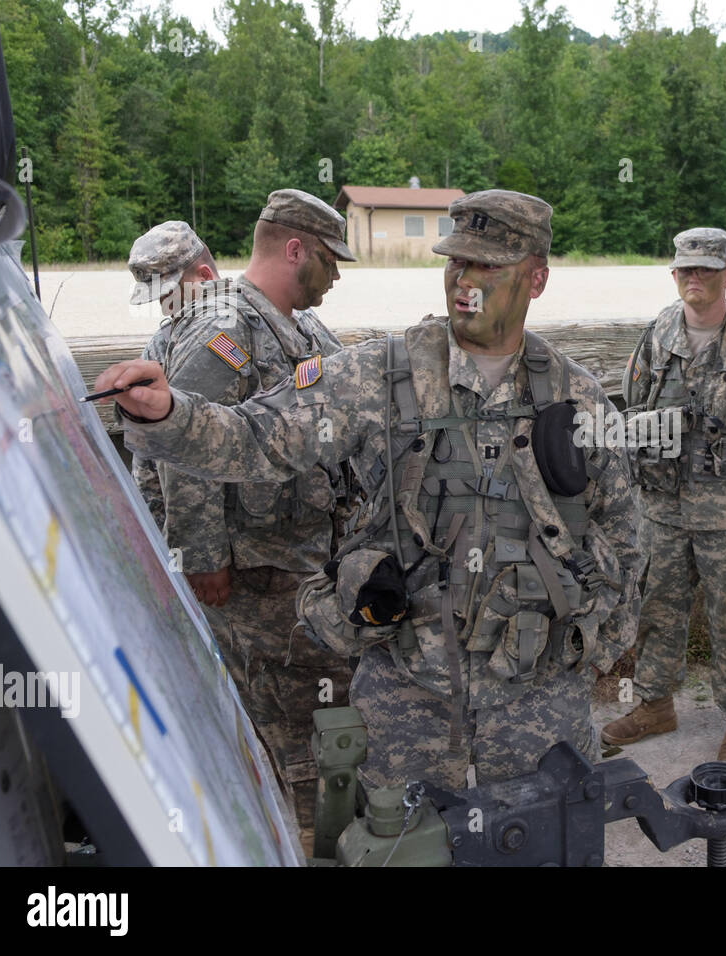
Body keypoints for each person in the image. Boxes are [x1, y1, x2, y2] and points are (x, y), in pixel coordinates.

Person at [94, 189, 640, 794]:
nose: (465, 280)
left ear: (536, 279)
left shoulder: (579, 398)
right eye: (456, 261)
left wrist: (598, 647)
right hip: (409, 690)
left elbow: (622, 533)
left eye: (488, 266)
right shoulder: (378, 375)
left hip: (539, 694)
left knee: (546, 842)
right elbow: (259, 437)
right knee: (400, 844)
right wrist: (167, 414)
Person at [151, 190, 358, 832]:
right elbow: (179, 446)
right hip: (257, 576)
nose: (338, 273)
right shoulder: (224, 331)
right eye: (329, 258)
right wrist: (203, 557)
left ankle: (323, 833)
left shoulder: (307, 328)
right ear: (294, 249)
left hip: (311, 565)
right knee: (291, 729)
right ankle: (300, 839)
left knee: (328, 720)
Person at [603, 227, 726, 762]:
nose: (696, 278)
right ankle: (654, 703)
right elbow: (631, 409)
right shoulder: (657, 334)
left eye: (707, 270)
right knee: (656, 606)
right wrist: (650, 429)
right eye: (687, 270)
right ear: (674, 275)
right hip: (662, 506)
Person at [126, 220, 221, 528]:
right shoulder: (162, 346)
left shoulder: (277, 321)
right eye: (159, 299)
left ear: (204, 276)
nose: (167, 309)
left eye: (171, 296)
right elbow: (148, 463)